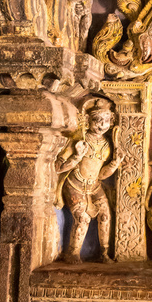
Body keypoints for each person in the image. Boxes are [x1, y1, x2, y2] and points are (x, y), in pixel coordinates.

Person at [56, 98, 120, 263]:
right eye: (97, 120)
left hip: (94, 186)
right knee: (82, 218)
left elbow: (101, 174)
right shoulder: (78, 141)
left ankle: (104, 253)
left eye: (105, 121)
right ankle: (73, 253)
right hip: (74, 185)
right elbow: (58, 167)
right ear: (88, 121)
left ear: (110, 122)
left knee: (105, 215)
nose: (101, 125)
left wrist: (114, 164)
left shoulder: (106, 145)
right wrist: (77, 157)